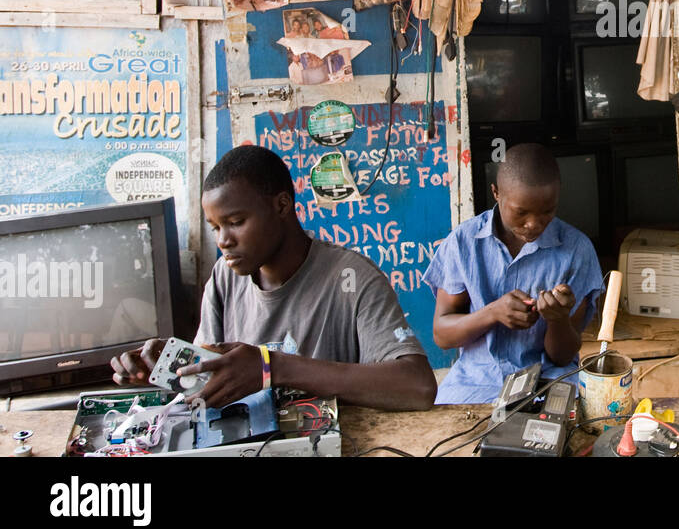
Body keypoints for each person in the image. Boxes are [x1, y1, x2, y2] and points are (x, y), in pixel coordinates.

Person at [110, 145, 437, 410]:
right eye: (215, 228)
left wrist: (271, 368)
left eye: (236, 221)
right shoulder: (225, 278)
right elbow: (207, 377)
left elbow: (417, 387)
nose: (223, 240)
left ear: (282, 205)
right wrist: (165, 370)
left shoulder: (352, 278)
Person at [424, 143, 604, 403]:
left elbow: (563, 357)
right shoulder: (464, 243)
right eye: (521, 212)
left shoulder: (576, 249)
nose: (534, 224)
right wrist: (492, 313)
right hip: (477, 380)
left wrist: (558, 320)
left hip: (549, 381)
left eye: (547, 211)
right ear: (496, 193)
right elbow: (442, 335)